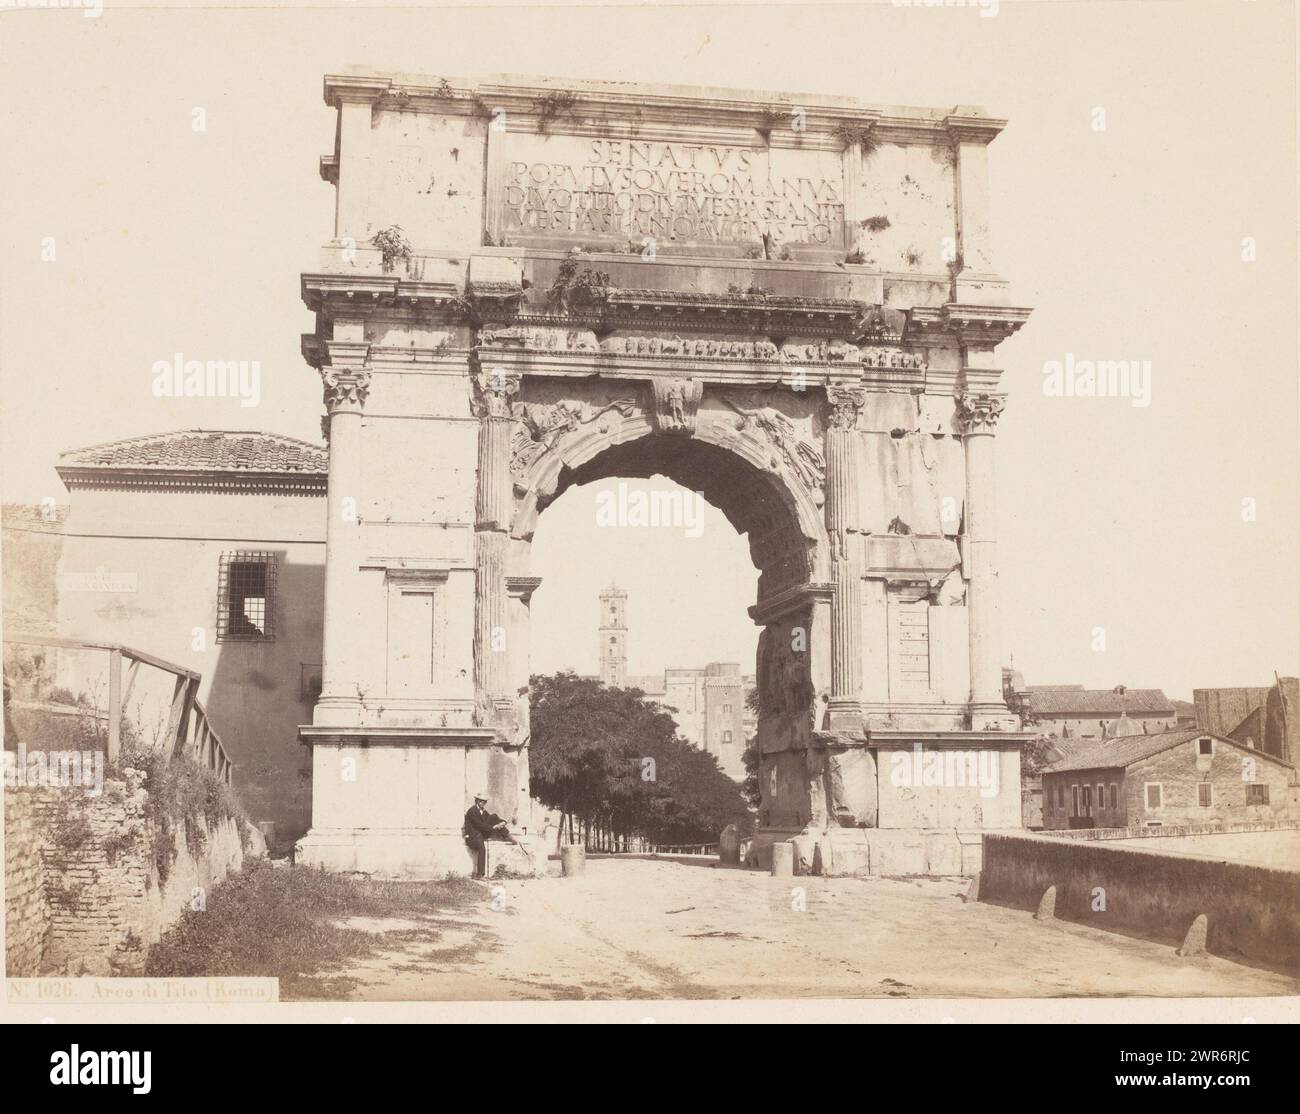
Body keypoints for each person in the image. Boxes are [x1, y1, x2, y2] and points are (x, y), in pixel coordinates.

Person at [463, 792, 509, 878]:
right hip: (473, 836)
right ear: (477, 801)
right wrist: (494, 827)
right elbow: (479, 825)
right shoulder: (472, 811)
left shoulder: (483, 811)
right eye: (482, 801)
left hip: (480, 834)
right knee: (482, 849)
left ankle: (507, 836)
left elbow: (492, 819)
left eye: (485, 802)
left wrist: (503, 822)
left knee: (494, 816)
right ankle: (480, 875)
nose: (483, 803)